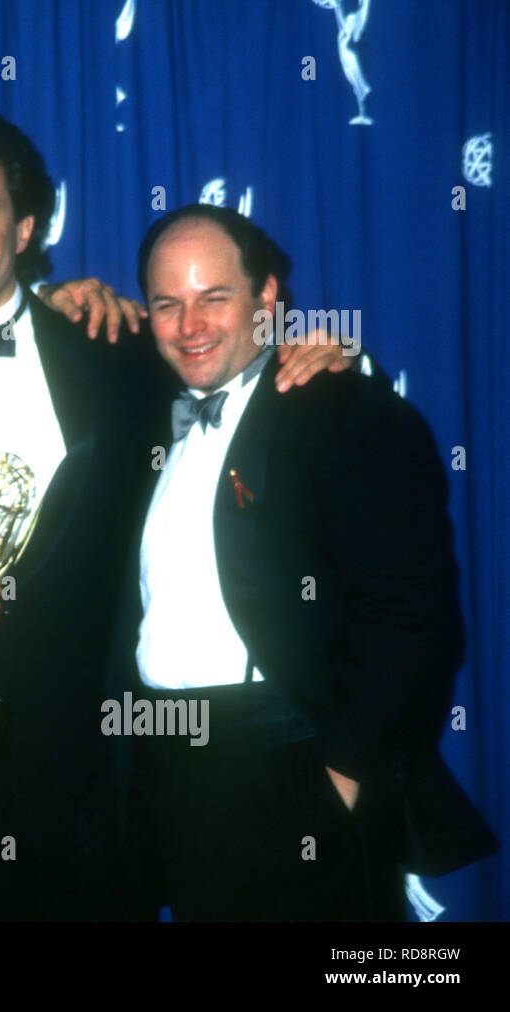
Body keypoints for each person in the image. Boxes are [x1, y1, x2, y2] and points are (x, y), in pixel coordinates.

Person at [0, 107, 359, 920]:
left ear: (26, 227)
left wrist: (324, 355)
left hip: (92, 756)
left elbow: (234, 377)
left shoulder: (117, 349)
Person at [110, 203, 497, 920]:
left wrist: (341, 781)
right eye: (168, 305)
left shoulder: (348, 412)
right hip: (170, 771)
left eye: (213, 298)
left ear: (266, 298)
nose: (189, 325)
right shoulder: (143, 418)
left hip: (292, 767)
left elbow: (413, 619)